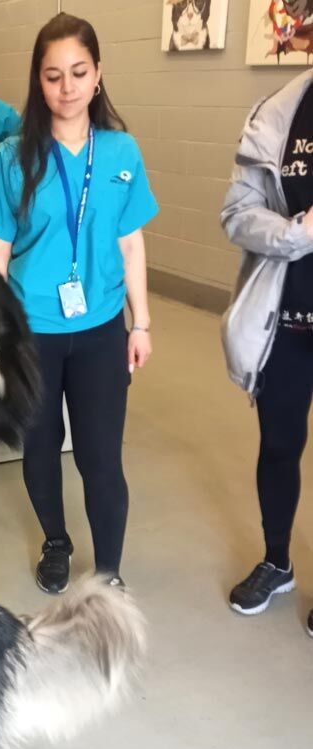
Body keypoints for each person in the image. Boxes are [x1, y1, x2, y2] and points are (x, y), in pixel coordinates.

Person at [0, 12, 158, 594]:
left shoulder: (122, 152)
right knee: (40, 448)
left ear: (98, 74)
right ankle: (56, 540)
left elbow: (132, 244)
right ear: (38, 80)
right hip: (32, 333)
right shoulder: (12, 159)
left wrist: (142, 323)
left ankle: (108, 574)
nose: (68, 87)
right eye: (53, 76)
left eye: (79, 72)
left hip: (103, 329)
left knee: (102, 459)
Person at [220, 68, 313, 636]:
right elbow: (237, 213)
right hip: (290, 322)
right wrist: (299, 233)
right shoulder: (280, 113)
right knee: (279, 448)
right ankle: (277, 561)